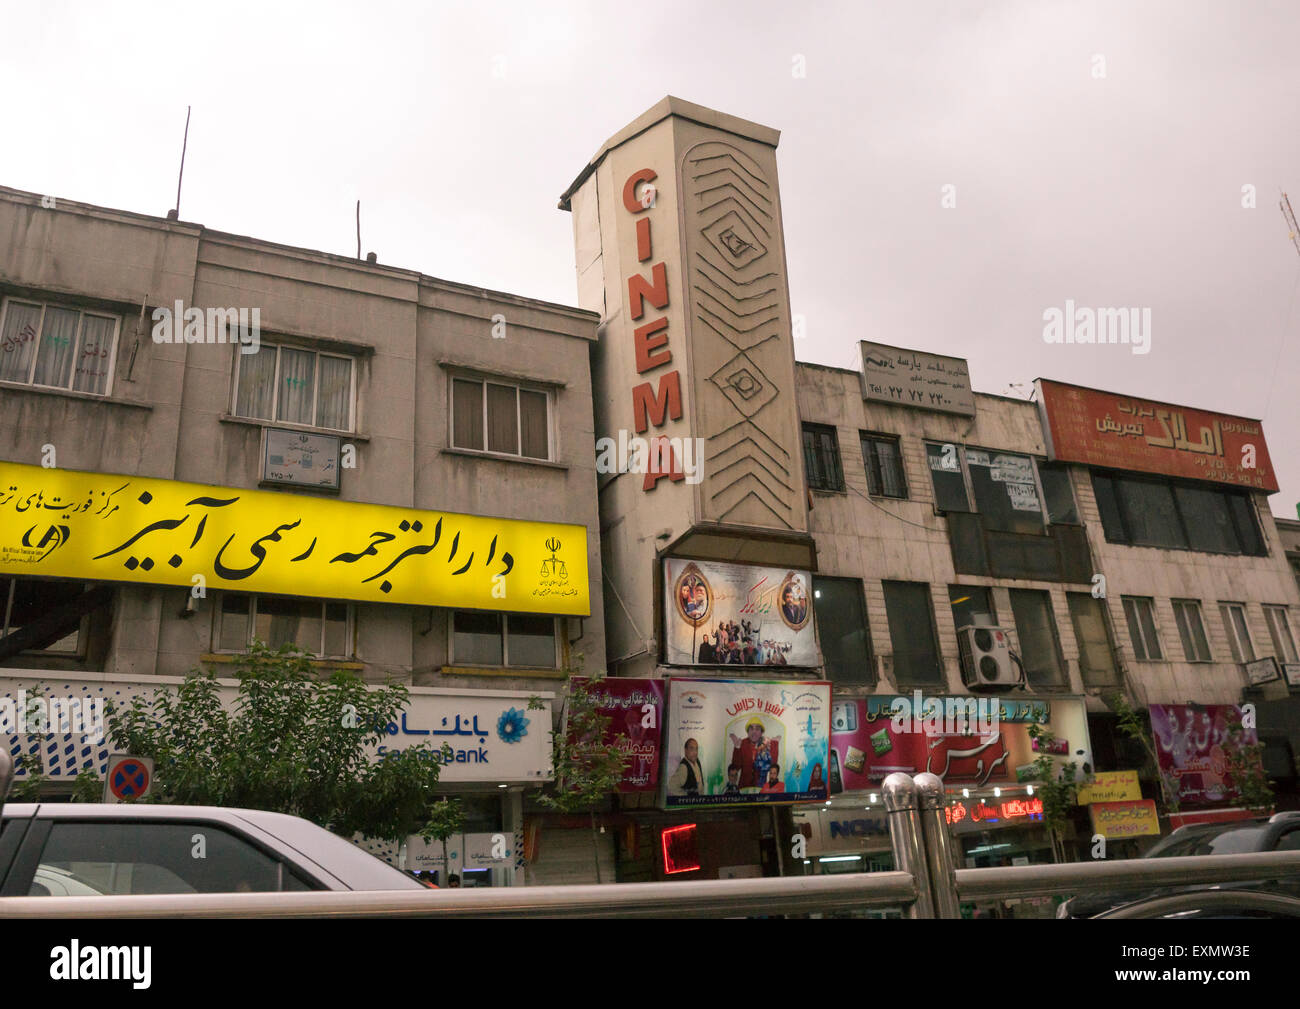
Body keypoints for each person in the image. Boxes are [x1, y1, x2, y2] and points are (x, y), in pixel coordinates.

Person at [729, 718, 778, 789]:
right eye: (751, 729)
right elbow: (736, 767)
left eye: (757, 729)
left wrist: (775, 745)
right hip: (744, 787)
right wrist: (737, 748)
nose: (754, 732)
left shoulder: (766, 744)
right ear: (748, 732)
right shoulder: (742, 743)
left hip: (761, 788)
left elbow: (773, 765)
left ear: (761, 733)